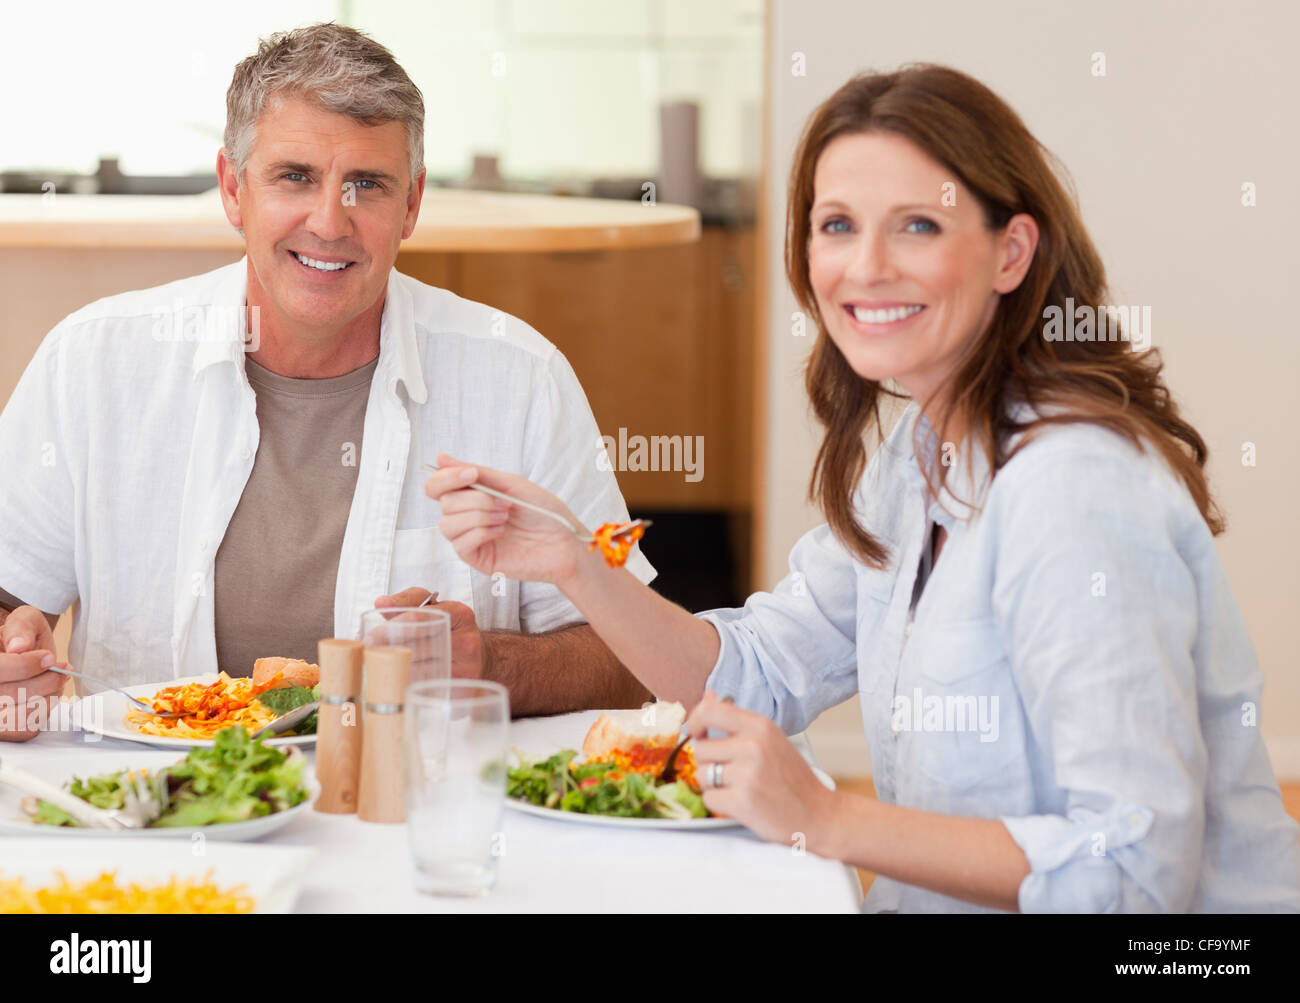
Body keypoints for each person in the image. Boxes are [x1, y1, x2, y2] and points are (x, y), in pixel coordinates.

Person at [424, 64, 1300, 912]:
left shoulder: (1074, 492)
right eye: (837, 225)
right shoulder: (922, 452)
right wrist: (577, 564)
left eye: (918, 225)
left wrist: (827, 817)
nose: (866, 266)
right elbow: (756, 671)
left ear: (1012, 252)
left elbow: (1137, 872)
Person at [0, 23, 655, 742]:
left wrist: (491, 661)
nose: (328, 221)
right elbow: (7, 604)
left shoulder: (521, 378)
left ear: (411, 206)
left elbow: (635, 661)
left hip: (408, 817)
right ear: (231, 188)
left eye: (366, 185)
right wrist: (12, 665)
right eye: (295, 176)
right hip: (156, 826)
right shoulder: (92, 366)